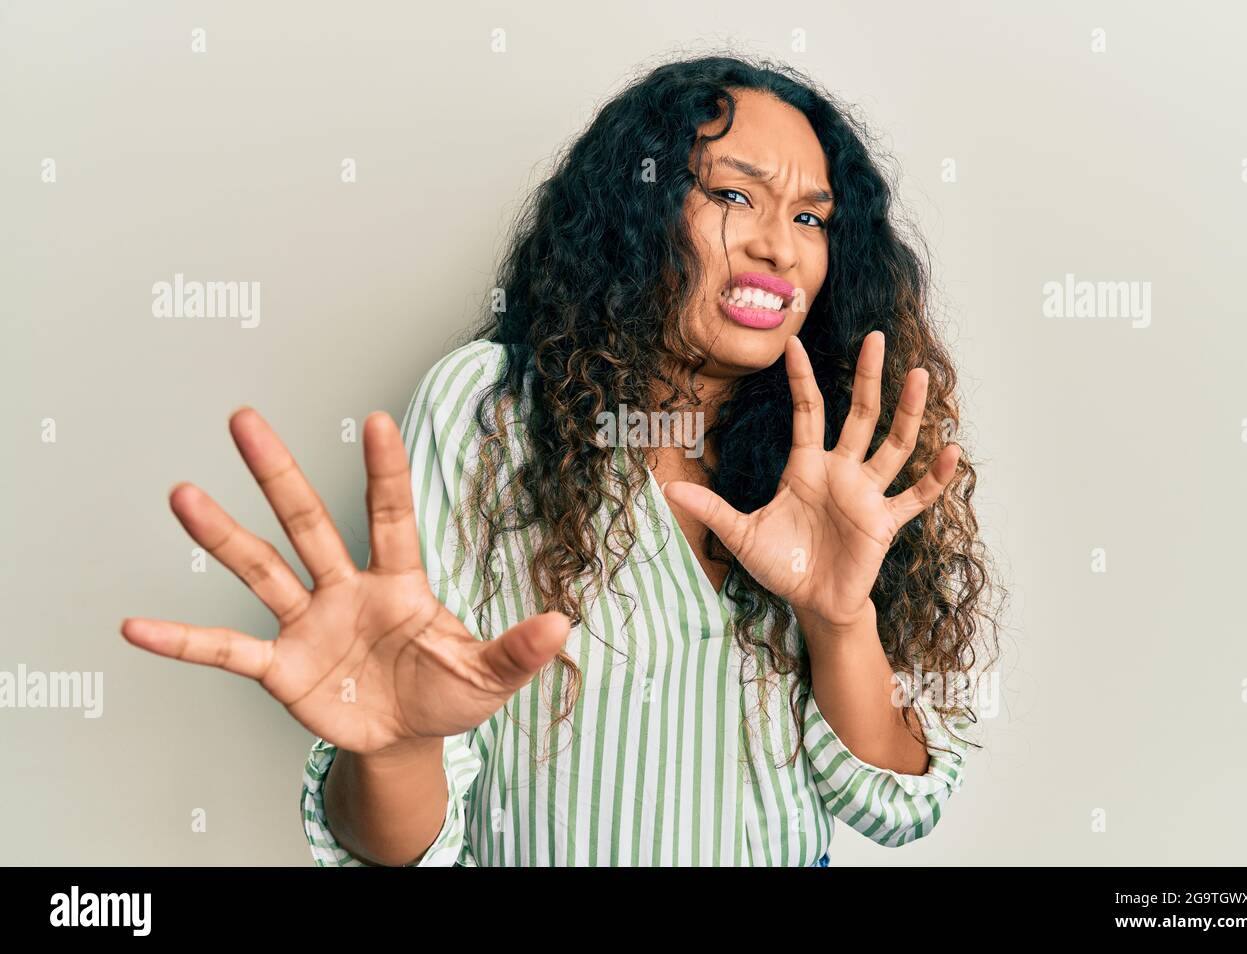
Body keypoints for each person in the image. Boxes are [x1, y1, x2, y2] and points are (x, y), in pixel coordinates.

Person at [122, 54, 1002, 866]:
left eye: (811, 217)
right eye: (735, 196)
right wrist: (395, 747)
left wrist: (838, 621)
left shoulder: (830, 459)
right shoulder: (496, 410)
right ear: (641, 210)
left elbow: (898, 809)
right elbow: (393, 849)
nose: (780, 243)